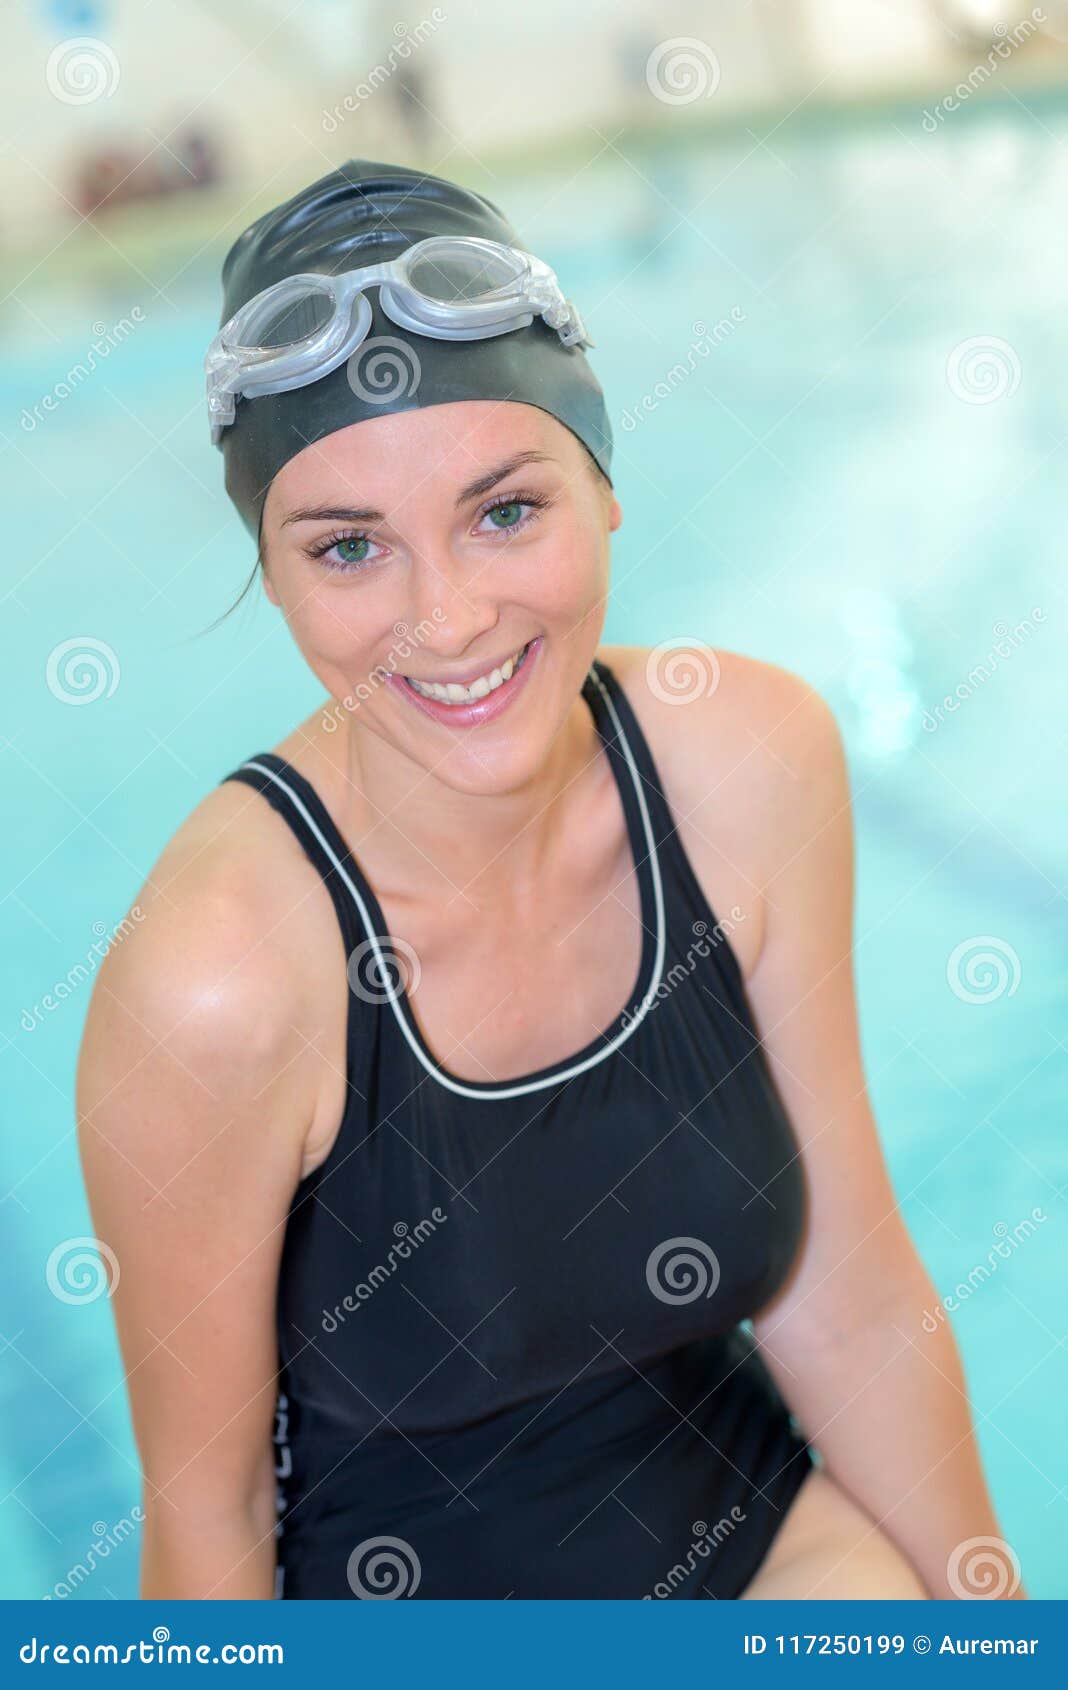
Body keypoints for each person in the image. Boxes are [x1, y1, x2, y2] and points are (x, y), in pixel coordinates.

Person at [76, 160, 1021, 1601]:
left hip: (760, 1545)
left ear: (606, 485)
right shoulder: (217, 972)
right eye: (348, 547)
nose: (448, 619)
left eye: (506, 511)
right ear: (272, 572)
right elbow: (207, 1530)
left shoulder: (745, 762)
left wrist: (988, 1627)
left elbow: (846, 1286)